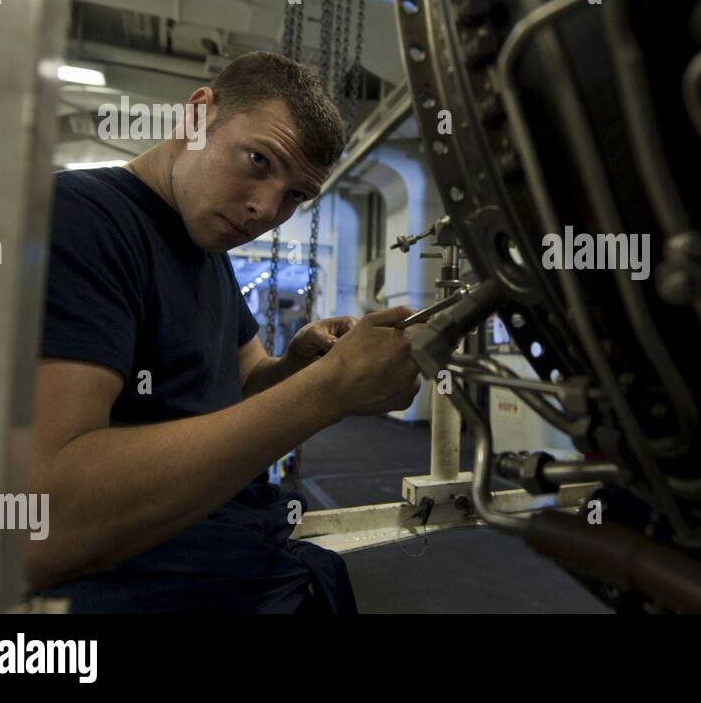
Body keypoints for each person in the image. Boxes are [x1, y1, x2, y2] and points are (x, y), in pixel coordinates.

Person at [28, 51, 423, 612]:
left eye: (296, 195)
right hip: (144, 580)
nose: (265, 207)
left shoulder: (206, 247)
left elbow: (238, 385)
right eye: (259, 160)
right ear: (196, 118)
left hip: (235, 548)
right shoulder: (80, 218)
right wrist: (329, 391)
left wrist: (295, 368)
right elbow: (49, 516)